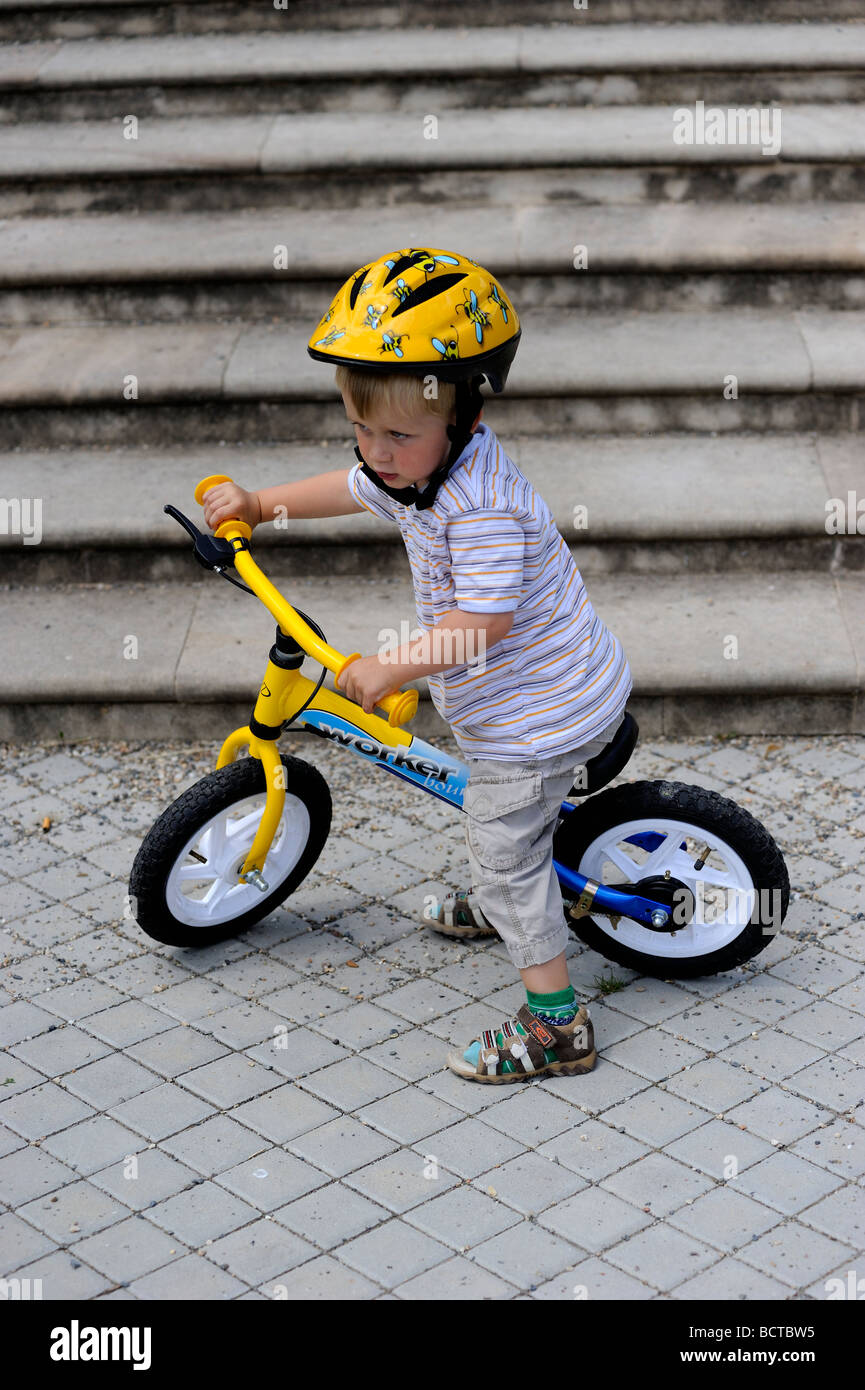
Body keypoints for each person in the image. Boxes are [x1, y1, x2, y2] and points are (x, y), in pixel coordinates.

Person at [201, 247, 632, 1084]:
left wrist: (391, 668)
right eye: (361, 428)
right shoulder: (415, 471)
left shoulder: (481, 508)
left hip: (541, 714)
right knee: (500, 819)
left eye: (397, 433)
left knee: (500, 855)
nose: (377, 450)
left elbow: (485, 621)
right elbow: (349, 486)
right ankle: (523, 896)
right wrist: (260, 506)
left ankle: (556, 1027)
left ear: (465, 411)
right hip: (525, 697)